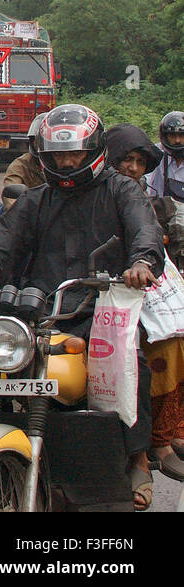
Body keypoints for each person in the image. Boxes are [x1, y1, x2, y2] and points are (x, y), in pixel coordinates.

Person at [0, 105, 164, 509]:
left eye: (74, 153)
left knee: (130, 361)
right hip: (35, 310)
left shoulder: (122, 191)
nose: (67, 161)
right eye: (58, 155)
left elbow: (145, 229)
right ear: (45, 155)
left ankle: (136, 455)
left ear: (93, 150)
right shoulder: (35, 200)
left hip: (99, 306)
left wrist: (142, 263)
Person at [106, 123, 184, 483]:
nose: (133, 168)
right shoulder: (72, 193)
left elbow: (148, 241)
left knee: (170, 341)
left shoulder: (145, 201)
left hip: (133, 288)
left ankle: (158, 439)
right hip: (79, 293)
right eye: (126, 159)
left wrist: (141, 264)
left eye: (139, 162)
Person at [1, 113, 46, 208]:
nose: (43, 146)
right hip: (33, 215)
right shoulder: (20, 166)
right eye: (38, 140)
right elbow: (11, 198)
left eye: (48, 141)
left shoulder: (69, 165)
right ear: (31, 140)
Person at [147, 110, 184, 202]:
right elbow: (146, 178)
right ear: (164, 136)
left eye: (182, 135)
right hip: (161, 211)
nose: (177, 140)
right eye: (172, 135)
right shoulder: (156, 152)